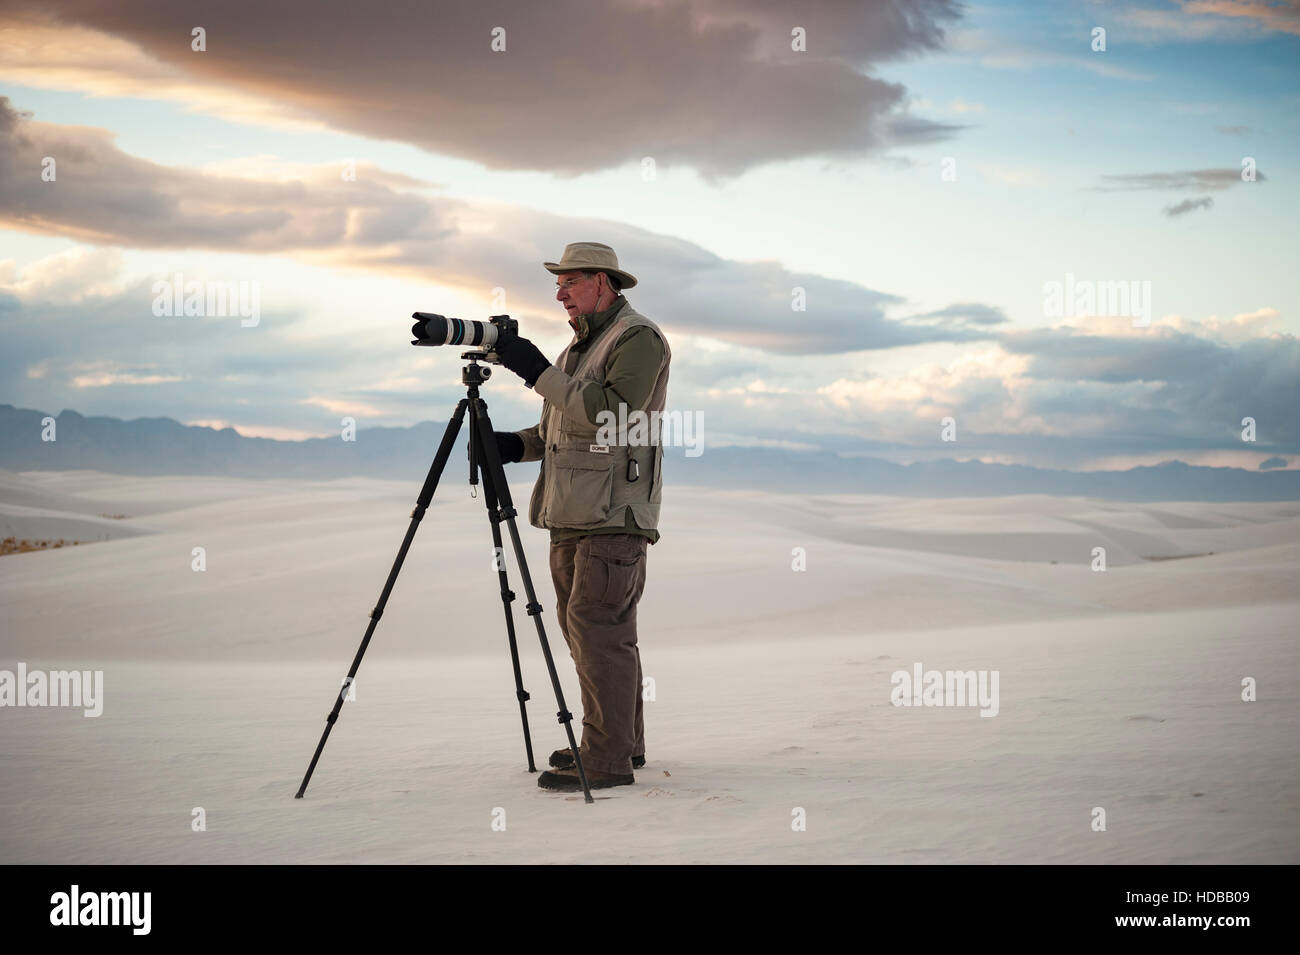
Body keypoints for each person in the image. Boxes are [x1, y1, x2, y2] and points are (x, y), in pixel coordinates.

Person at [492, 241, 671, 792]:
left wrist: (534, 370)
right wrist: (510, 446)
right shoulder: (577, 350)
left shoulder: (636, 338)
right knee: (591, 637)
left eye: (570, 281)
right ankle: (617, 744)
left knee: (600, 634)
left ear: (604, 283)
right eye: (558, 283)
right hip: (572, 513)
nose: (560, 293)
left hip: (612, 515)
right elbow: (557, 433)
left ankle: (608, 760)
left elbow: (613, 417)